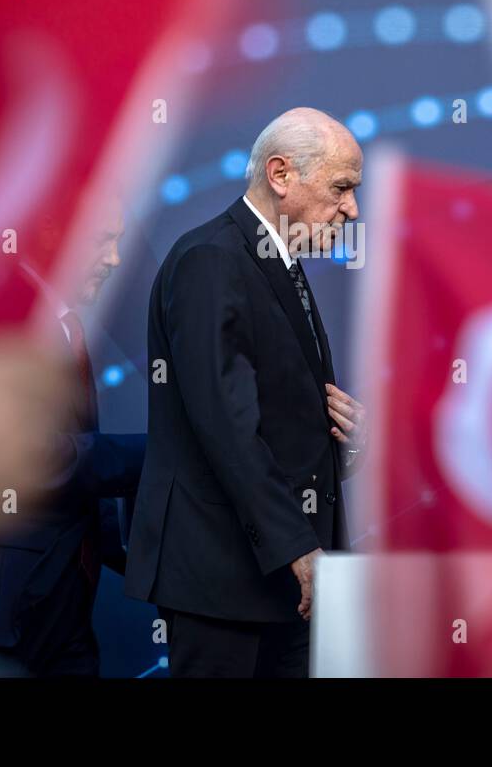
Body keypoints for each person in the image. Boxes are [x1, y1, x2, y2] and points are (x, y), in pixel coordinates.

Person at [125, 107, 368, 677]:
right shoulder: (211, 260)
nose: (352, 210)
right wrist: (296, 548)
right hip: (228, 580)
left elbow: (277, 426)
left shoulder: (274, 261)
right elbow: (227, 426)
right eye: (341, 188)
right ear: (281, 176)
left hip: (286, 573)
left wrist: (347, 448)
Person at [0, 198, 145, 676]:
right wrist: (154, 451)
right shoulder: (2, 313)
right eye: (103, 240)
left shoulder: (66, 326)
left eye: (119, 242)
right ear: (54, 234)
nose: (115, 258)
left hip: (65, 617)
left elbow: (80, 465)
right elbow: (28, 455)